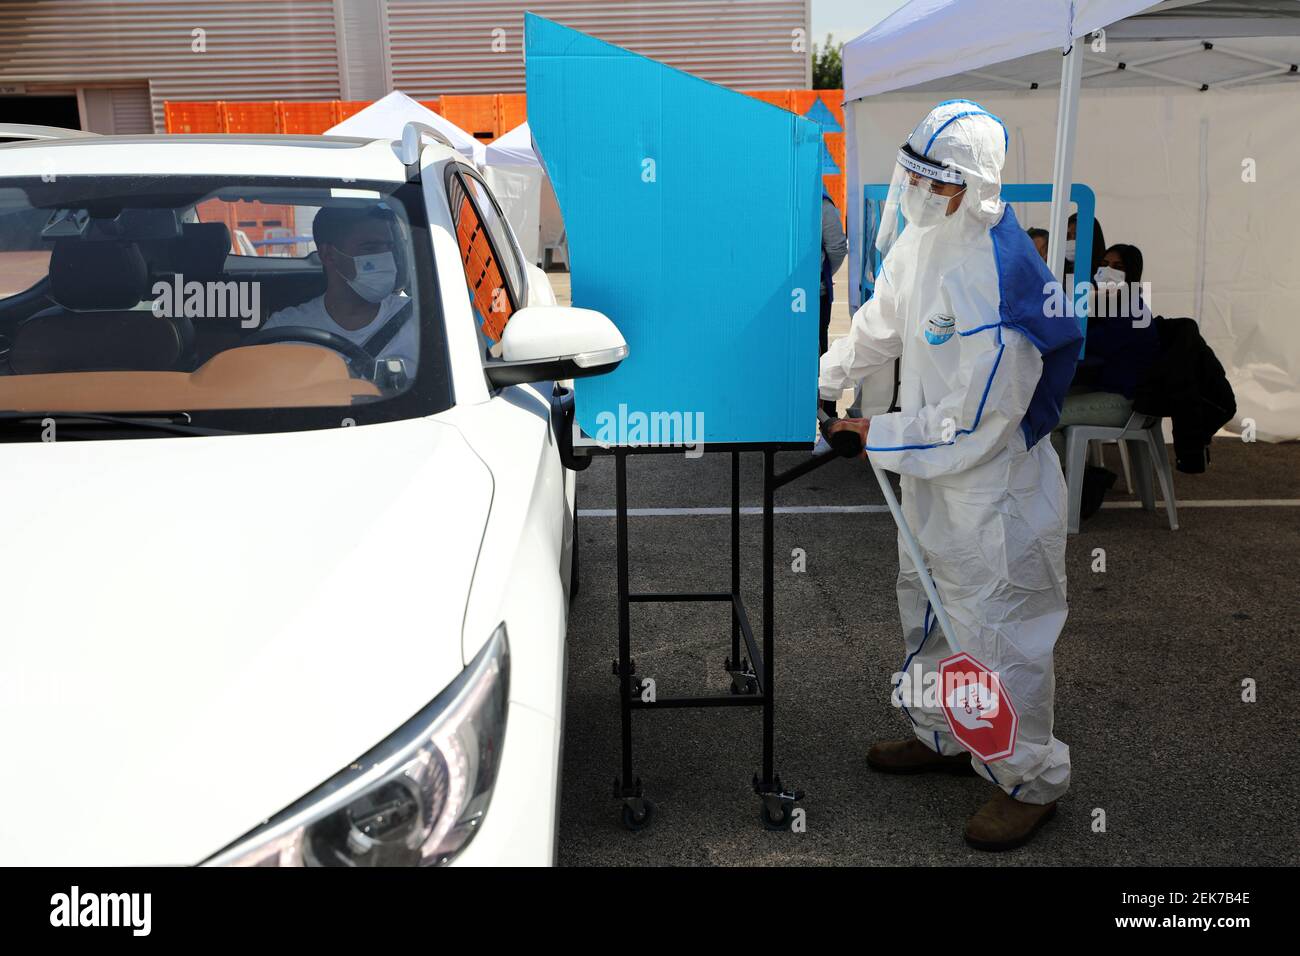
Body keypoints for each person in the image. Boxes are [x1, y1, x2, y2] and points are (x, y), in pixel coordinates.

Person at [819, 100, 1081, 851]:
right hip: (932, 469)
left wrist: (877, 432)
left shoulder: (1004, 284)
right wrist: (823, 376)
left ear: (970, 187)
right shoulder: (924, 235)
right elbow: (881, 322)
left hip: (991, 484)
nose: (912, 188)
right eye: (912, 171)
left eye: (930, 179)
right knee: (929, 605)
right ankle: (943, 733)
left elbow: (979, 422)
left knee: (997, 630)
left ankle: (1028, 780)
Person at [262, 204, 417, 384]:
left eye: (388, 247)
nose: (385, 256)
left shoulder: (421, 320)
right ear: (328, 255)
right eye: (370, 247)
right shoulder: (284, 331)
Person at [819, 189, 848, 416]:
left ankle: (827, 417)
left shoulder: (823, 207)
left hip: (814, 296)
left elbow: (837, 247)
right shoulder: (823, 204)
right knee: (820, 355)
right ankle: (827, 418)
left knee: (819, 356)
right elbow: (838, 248)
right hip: (816, 294)